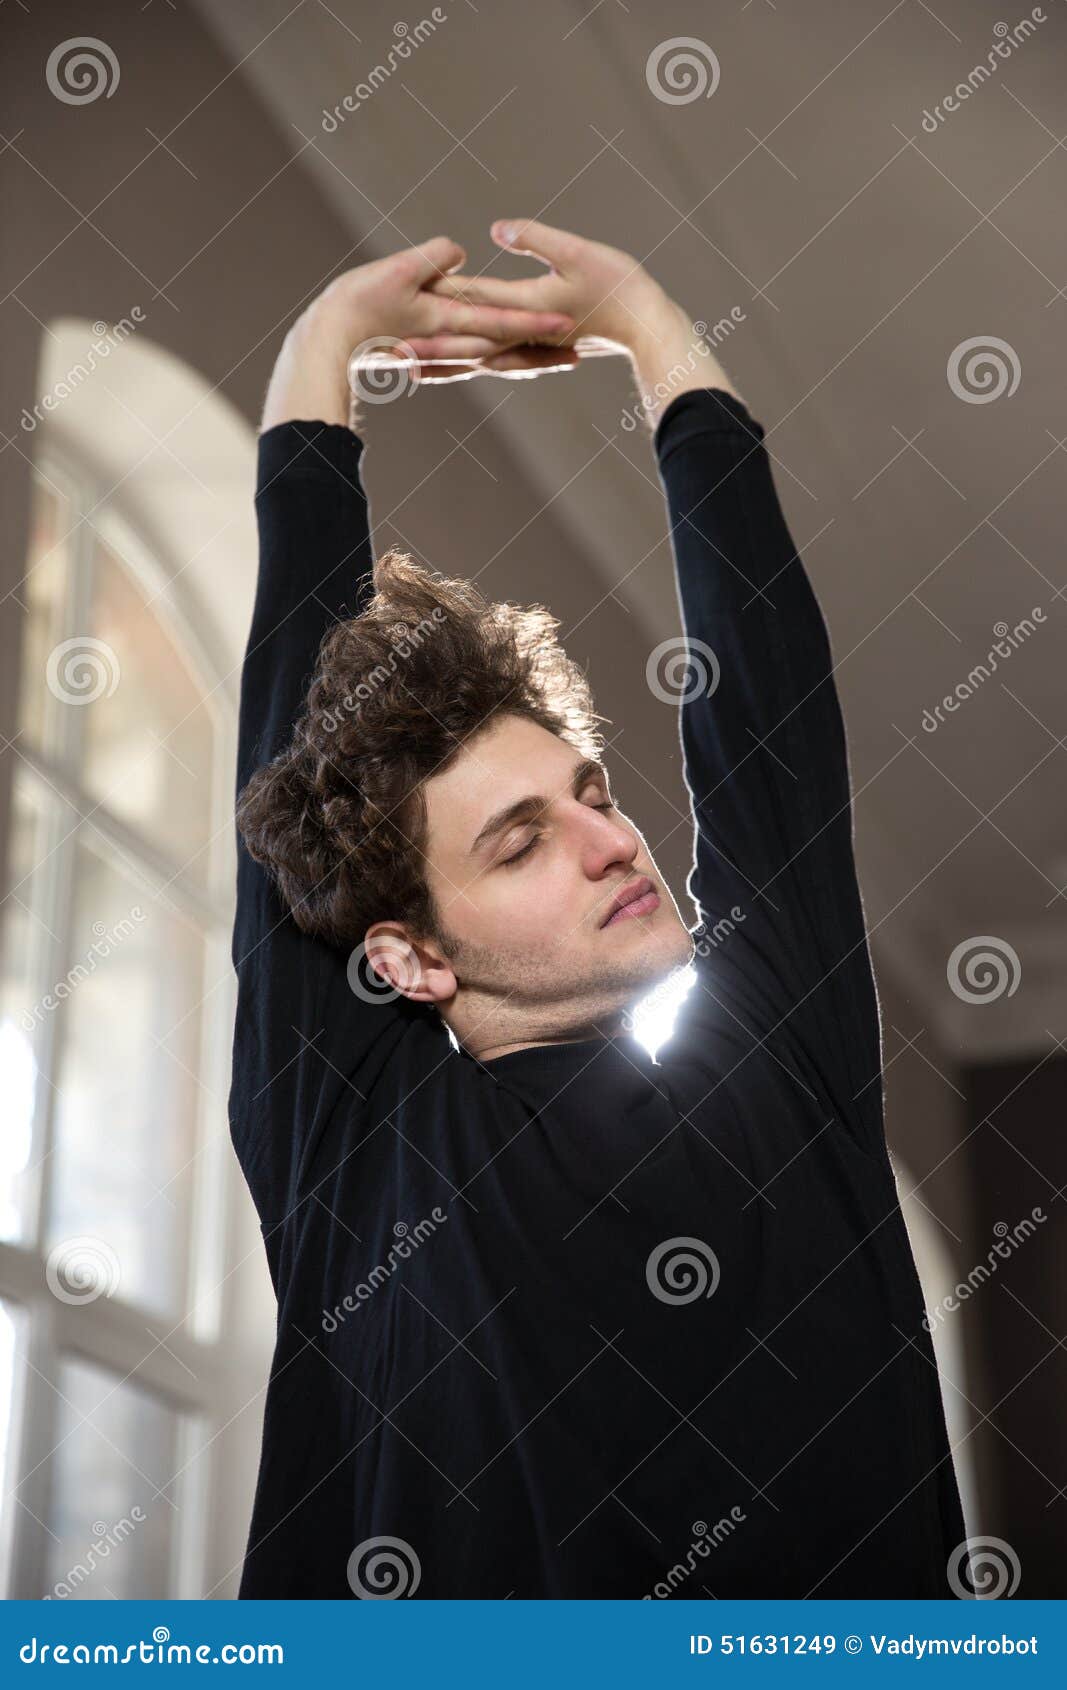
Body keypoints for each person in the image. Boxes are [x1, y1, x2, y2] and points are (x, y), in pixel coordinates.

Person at [228, 221, 967, 1598]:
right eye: (519, 842)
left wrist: (648, 327)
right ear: (407, 957)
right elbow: (288, 723)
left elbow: (768, 714)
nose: (609, 838)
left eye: (588, 790)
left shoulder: (781, 1063)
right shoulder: (363, 1158)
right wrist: (323, 345)